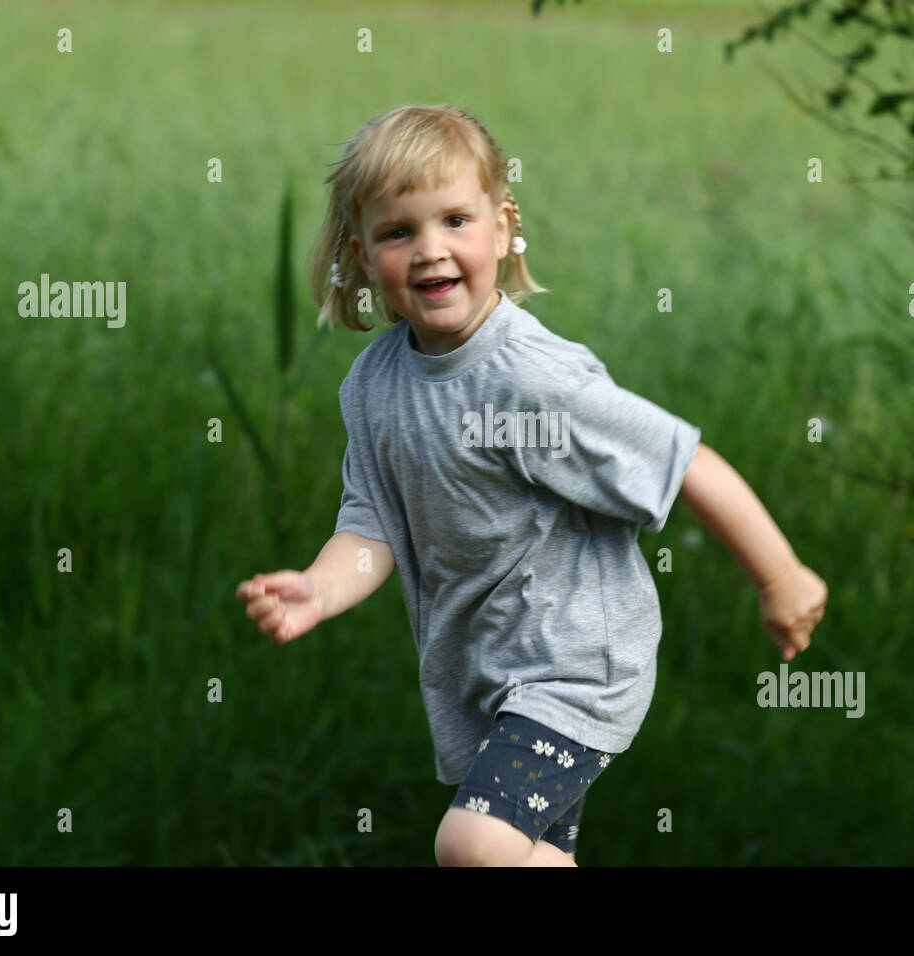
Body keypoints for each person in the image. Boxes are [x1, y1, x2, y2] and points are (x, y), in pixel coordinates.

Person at [236, 105, 828, 867]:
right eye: (398, 232)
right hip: (487, 675)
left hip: (576, 667)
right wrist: (319, 589)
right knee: (531, 857)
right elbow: (373, 524)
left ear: (504, 225)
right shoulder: (374, 385)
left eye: (455, 219)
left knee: (472, 843)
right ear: (359, 254)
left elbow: (682, 461)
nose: (430, 250)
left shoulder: (529, 381)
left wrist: (780, 575)